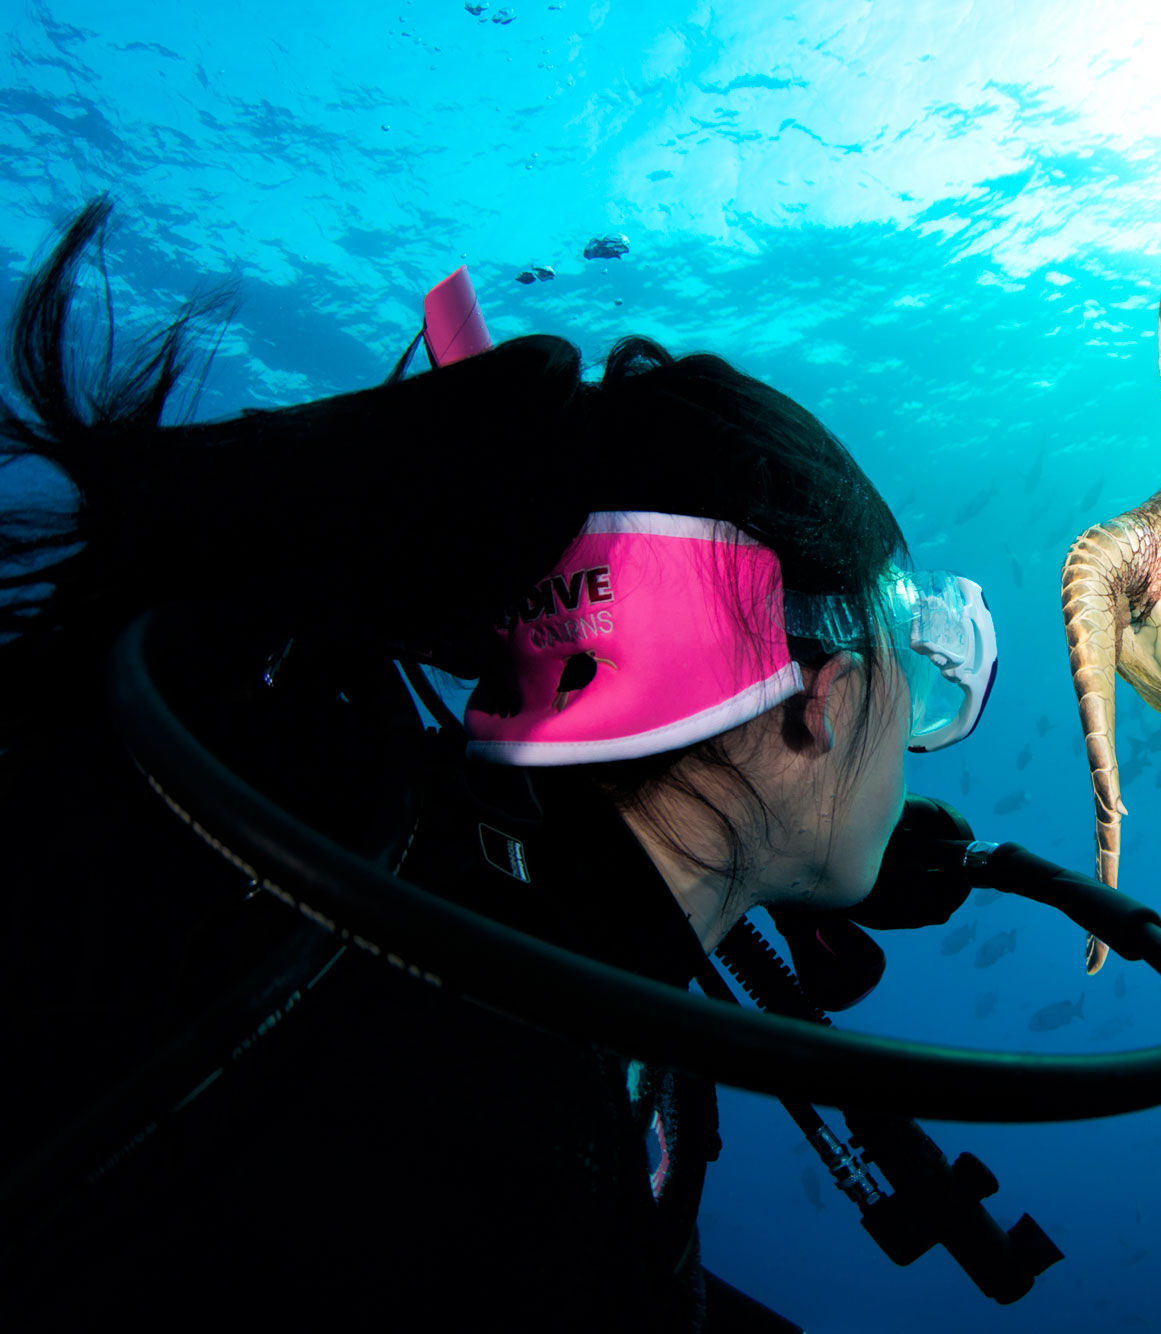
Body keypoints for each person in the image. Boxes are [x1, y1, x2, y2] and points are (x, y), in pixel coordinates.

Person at [0, 196, 993, 1328]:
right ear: (828, 700)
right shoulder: (485, 1107)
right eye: (915, 677)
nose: (914, 746)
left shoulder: (441, 902)